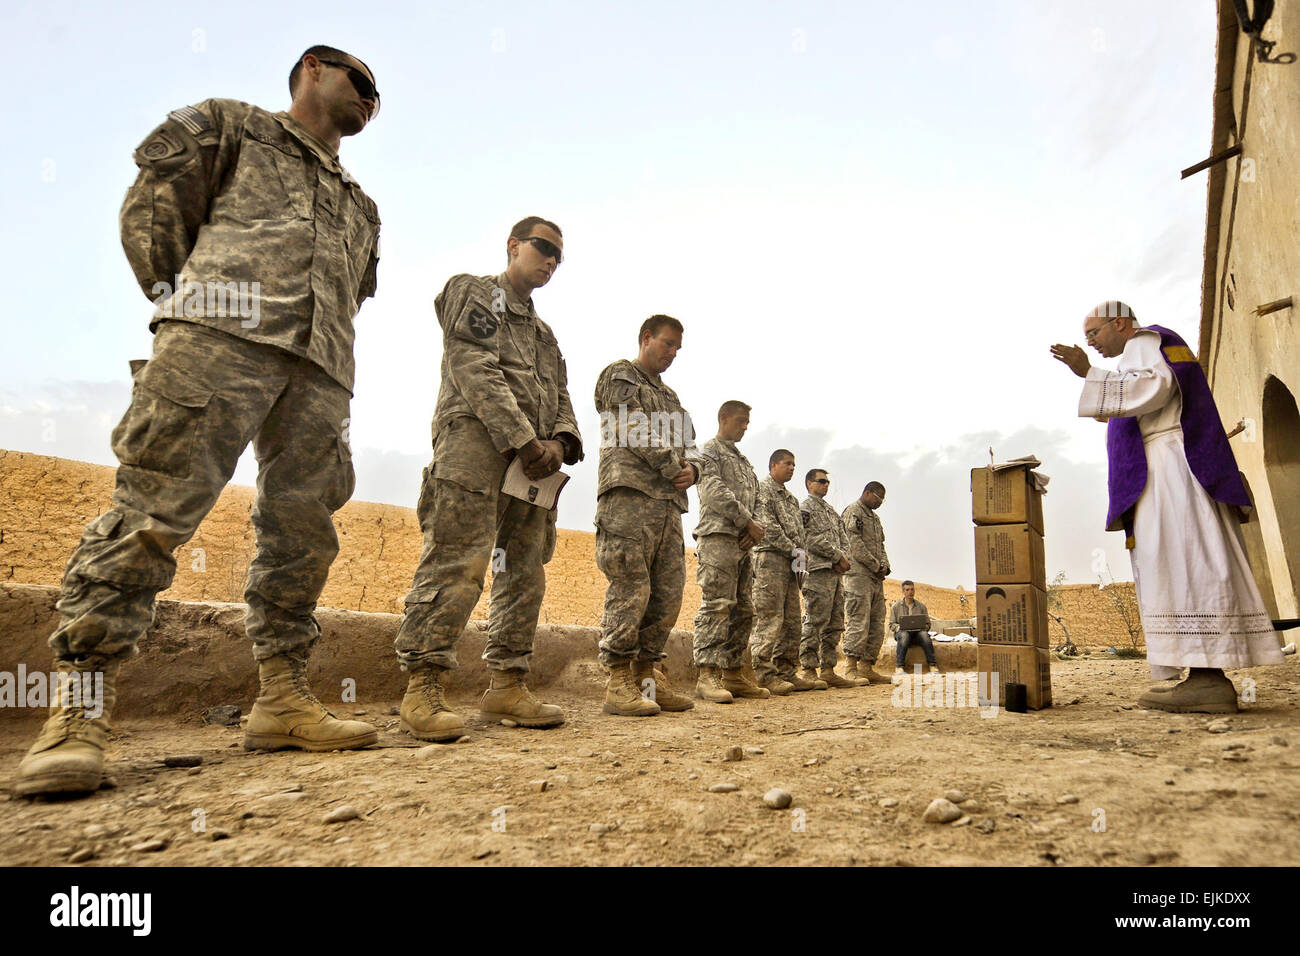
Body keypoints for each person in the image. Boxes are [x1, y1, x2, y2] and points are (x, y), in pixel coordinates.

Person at [15, 46, 384, 797]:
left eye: (379, 96)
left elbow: (353, 295)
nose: (372, 99)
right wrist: (189, 308)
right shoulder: (232, 126)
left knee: (302, 534)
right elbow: (154, 213)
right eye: (361, 81)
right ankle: (80, 710)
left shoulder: (362, 204)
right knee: (153, 512)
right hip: (216, 341)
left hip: (319, 373)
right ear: (312, 68)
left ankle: (281, 700)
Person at [392, 216, 583, 738]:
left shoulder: (544, 334)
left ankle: (506, 685)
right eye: (543, 248)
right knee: (459, 559)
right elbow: (473, 366)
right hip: (476, 446)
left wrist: (560, 443)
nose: (550, 260)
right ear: (513, 245)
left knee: (524, 572)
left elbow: (561, 395)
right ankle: (423, 687)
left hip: (533, 467)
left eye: (558, 256)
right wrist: (523, 438)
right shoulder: (474, 292)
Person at [1051, 300, 1284, 712]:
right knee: (1180, 559)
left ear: (1119, 324)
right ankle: (1204, 676)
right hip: (1167, 467)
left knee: (1184, 559)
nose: (1090, 344)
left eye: (1093, 335)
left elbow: (1153, 390)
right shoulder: (1143, 352)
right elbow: (1147, 399)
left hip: (1170, 473)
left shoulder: (1145, 341)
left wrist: (1087, 371)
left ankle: (1209, 681)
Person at [593, 315, 700, 716]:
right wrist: (674, 466)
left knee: (668, 590)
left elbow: (694, 447)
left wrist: (696, 470)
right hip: (630, 498)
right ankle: (618, 680)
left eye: (677, 348)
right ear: (646, 338)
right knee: (630, 584)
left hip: (668, 506)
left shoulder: (672, 400)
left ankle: (647, 676)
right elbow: (629, 425)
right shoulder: (620, 376)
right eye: (667, 344)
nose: (672, 353)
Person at [692, 401, 769, 702]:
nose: (745, 426)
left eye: (748, 421)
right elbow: (712, 491)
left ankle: (733, 673)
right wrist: (746, 521)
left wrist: (756, 524)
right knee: (717, 604)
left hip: (743, 543)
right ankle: (707, 675)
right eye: (740, 420)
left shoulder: (743, 461)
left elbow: (758, 497)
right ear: (723, 418)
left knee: (744, 610)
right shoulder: (708, 451)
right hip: (719, 537)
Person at [749, 450, 820, 694]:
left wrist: (800, 553)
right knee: (769, 618)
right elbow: (766, 526)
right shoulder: (763, 489)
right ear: (773, 465)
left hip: (791, 564)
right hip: (771, 560)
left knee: (791, 621)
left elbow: (799, 532)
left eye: (794, 464)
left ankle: (787, 672)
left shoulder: (790, 499)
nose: (792, 468)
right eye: (787, 464)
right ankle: (763, 674)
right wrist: (793, 550)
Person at [798, 469, 853, 688]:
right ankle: (809, 670)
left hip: (835, 574)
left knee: (835, 622)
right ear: (810, 484)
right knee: (815, 620)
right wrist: (837, 556)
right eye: (821, 481)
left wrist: (844, 557)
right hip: (818, 572)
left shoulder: (831, 511)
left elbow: (844, 539)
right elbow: (809, 538)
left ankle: (828, 669)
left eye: (828, 482)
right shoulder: (805, 508)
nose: (826, 485)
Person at [842, 481, 894, 684]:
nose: (880, 502)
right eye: (877, 497)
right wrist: (875, 565)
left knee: (876, 621)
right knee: (858, 620)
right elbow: (854, 544)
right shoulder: (854, 511)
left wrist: (885, 566)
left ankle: (866, 667)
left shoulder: (875, 518)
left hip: (875, 578)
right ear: (867, 492)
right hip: (857, 576)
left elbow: (881, 545)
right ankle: (850, 668)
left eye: (883, 499)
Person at [889, 580, 939, 678]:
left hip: (917, 634)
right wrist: (901, 627)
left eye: (912, 589)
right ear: (903, 592)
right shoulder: (895, 607)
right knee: (904, 635)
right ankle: (899, 667)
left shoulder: (921, 606)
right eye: (907, 590)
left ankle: (932, 665)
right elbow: (891, 625)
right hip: (902, 634)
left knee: (924, 635)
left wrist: (922, 627)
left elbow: (928, 624)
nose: (910, 592)